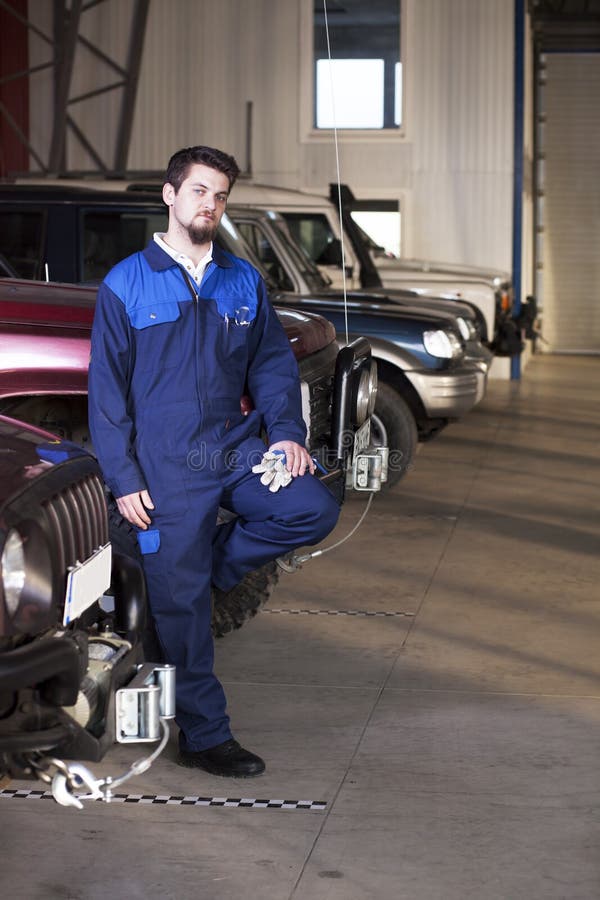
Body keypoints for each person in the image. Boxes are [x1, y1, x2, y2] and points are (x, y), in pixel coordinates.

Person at [88, 146, 340, 778]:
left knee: (309, 507)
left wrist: (286, 434)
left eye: (221, 195)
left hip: (229, 447)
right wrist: (124, 479)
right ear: (171, 196)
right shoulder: (126, 282)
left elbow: (273, 367)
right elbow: (107, 396)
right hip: (165, 463)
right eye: (199, 191)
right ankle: (204, 736)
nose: (211, 204)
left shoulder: (241, 280)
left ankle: (208, 571)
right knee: (183, 620)